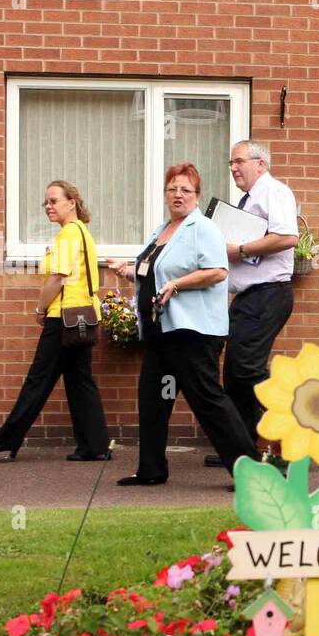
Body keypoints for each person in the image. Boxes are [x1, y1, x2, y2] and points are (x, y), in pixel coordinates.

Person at [108, 163, 256, 486]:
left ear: (196, 195)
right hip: (162, 332)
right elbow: (155, 272)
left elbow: (218, 271)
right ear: (165, 194)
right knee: (153, 399)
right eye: (172, 189)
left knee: (207, 401)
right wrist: (129, 270)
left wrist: (178, 285)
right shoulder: (161, 230)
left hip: (194, 334)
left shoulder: (203, 229)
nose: (178, 195)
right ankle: (151, 469)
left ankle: (251, 473)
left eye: (185, 189)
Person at [0, 181, 109, 461]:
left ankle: (6, 439)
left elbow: (57, 278)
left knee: (38, 380)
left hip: (62, 319)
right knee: (80, 381)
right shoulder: (82, 232)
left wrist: (39, 308)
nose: (48, 206)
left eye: (54, 200)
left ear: (72, 202)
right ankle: (95, 446)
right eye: (46, 202)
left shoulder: (68, 235)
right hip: (81, 318)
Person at [202, 139, 298, 469]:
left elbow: (288, 237)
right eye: (231, 162)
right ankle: (241, 450)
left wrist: (239, 250)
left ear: (260, 164)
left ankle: (282, 445)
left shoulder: (274, 191)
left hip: (268, 294)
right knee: (234, 373)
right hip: (248, 297)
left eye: (239, 161)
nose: (233, 168)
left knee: (247, 370)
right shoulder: (247, 199)